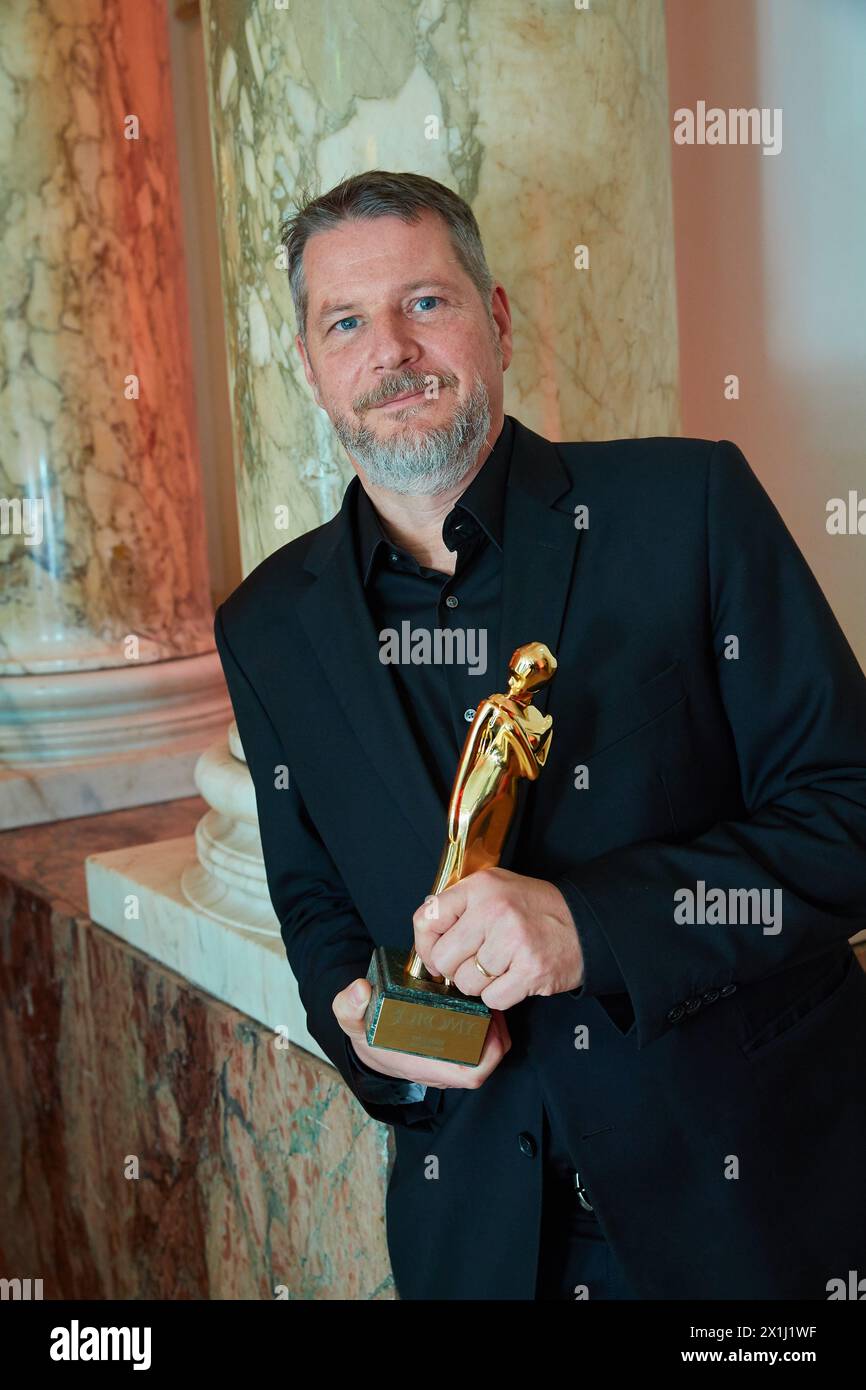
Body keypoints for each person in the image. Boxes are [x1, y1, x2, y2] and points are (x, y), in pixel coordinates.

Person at [213, 169, 866, 1301]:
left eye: (425, 302)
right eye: (347, 322)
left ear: (497, 319)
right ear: (312, 368)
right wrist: (361, 1029)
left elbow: (848, 812)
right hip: (478, 1245)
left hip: (749, 1221)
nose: (392, 350)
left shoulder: (688, 509)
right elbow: (313, 899)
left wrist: (589, 925)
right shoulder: (265, 625)